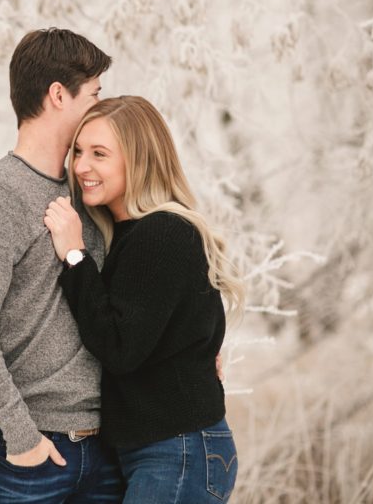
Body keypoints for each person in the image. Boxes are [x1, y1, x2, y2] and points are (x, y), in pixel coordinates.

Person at [0, 28, 125, 503]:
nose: (101, 108)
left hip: (103, 451)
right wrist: (21, 435)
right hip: (27, 454)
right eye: (95, 95)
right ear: (59, 95)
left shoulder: (88, 191)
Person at [42, 96, 244, 503]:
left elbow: (120, 347)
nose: (81, 166)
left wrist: (75, 257)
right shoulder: (133, 233)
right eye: (78, 151)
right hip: (165, 450)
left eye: (99, 154)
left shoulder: (161, 232)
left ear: (139, 160)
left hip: (177, 450)